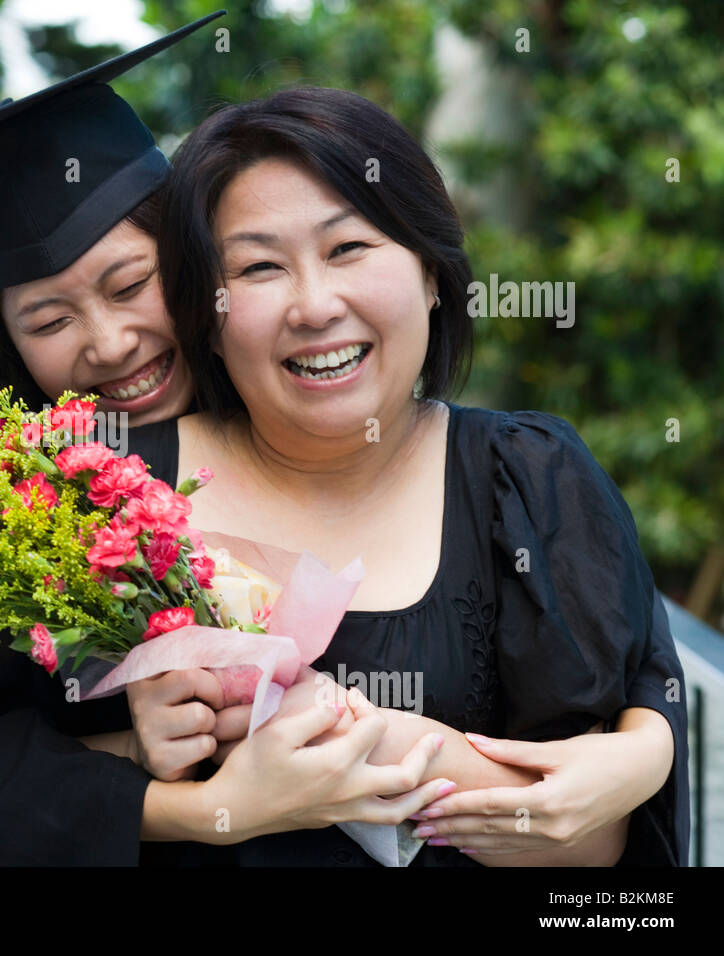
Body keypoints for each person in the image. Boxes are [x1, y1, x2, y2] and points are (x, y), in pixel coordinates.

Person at [0, 19, 686, 863]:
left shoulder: (519, 474)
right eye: (49, 319)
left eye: (132, 283)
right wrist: (182, 790)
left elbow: (615, 725)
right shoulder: (42, 503)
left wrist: (648, 744)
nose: (112, 343)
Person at [145, 85, 687, 864]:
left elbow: (588, 840)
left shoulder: (529, 479)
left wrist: (370, 738)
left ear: (432, 275)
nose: (315, 304)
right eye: (259, 267)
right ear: (209, 316)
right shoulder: (111, 493)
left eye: (349, 248)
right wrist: (145, 755)